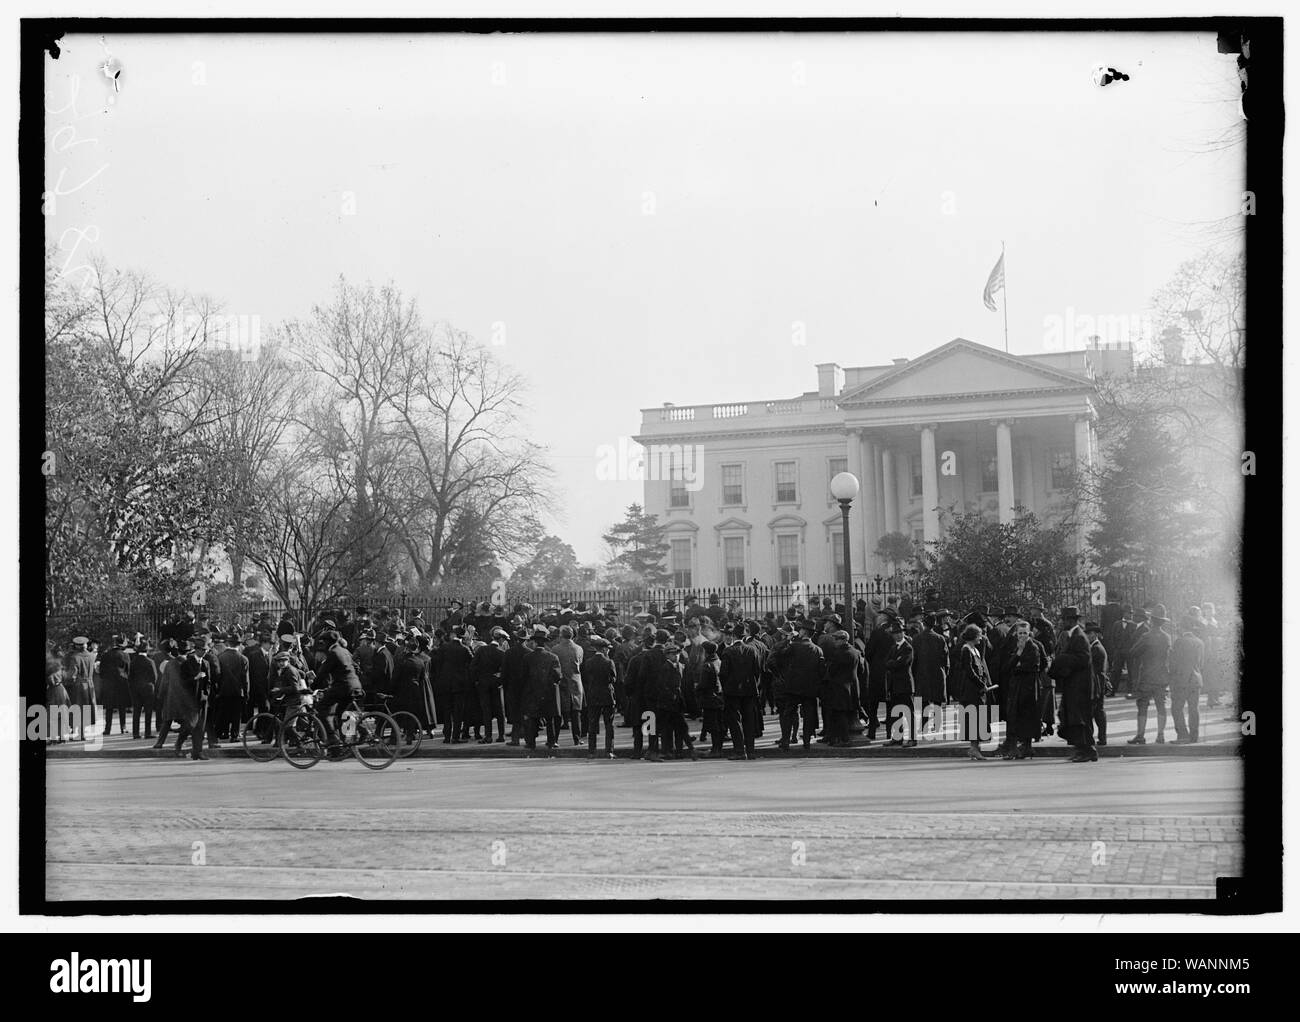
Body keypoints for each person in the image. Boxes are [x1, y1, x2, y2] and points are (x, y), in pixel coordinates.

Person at [1051, 607, 1098, 763]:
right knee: (1075, 717)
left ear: (1071, 620)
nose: (1062, 622)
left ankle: (1086, 750)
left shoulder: (1079, 637)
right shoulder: (1073, 636)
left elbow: (1083, 659)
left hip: (1081, 686)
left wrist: (1063, 659)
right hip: (1075, 685)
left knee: (1080, 718)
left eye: (1065, 619)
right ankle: (1082, 749)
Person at [771, 621, 824, 752]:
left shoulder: (794, 646)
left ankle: (786, 741)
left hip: (793, 686)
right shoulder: (818, 649)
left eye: (800, 630)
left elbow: (778, 654)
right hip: (810, 688)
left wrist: (786, 641)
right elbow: (821, 671)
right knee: (808, 715)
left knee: (788, 713)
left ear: (804, 632)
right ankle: (806, 742)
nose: (798, 632)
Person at [312, 630, 364, 752]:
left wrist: (311, 687)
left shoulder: (333, 653)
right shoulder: (345, 651)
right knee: (342, 713)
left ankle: (332, 738)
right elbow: (355, 667)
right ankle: (362, 731)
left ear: (327, 642)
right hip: (355, 685)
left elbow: (323, 673)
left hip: (342, 687)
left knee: (321, 708)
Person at [1127, 604, 1172, 745]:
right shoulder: (1167, 637)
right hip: (1162, 676)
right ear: (1163, 622)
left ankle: (1140, 735)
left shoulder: (1146, 636)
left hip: (1147, 676)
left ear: (1151, 621)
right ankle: (1160, 735)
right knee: (1161, 706)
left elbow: (1133, 652)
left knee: (1142, 705)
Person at [719, 623, 762, 759]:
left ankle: (739, 750)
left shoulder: (728, 651)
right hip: (749, 690)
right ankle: (751, 750)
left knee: (735, 720)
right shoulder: (752, 650)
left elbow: (723, 673)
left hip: (732, 691)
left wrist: (726, 687)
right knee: (749, 720)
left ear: (734, 636)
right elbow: (757, 670)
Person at [1003, 618, 1042, 759]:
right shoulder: (1016, 647)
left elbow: (1035, 666)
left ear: (1029, 633)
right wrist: (1018, 654)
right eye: (1020, 633)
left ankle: (1027, 746)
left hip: (1029, 687)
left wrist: (1019, 667)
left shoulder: (1034, 647)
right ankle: (1016, 747)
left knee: (1027, 716)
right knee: (1014, 716)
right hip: (1016, 687)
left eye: (1025, 633)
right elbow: (1008, 667)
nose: (1022, 636)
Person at [953, 624, 993, 760]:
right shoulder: (966, 650)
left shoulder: (973, 649)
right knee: (974, 720)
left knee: (978, 719)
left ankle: (975, 748)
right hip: (971, 691)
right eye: (979, 635)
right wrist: (981, 684)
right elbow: (969, 671)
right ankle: (974, 748)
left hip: (977, 690)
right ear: (973, 636)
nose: (981, 638)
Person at [521, 627, 562, 754]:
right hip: (548, 692)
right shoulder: (553, 657)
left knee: (533, 717)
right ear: (545, 642)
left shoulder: (528, 657)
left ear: (535, 642)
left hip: (532, 691)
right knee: (550, 718)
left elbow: (523, 676)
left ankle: (531, 742)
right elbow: (558, 676)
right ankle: (552, 741)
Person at [1168, 616, 1205, 744]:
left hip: (1181, 680)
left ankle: (1183, 735)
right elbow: (1201, 664)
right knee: (1194, 709)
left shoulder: (1179, 641)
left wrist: (1171, 679)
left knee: (1177, 708)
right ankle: (1194, 737)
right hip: (1196, 679)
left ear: (1182, 627)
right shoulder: (1200, 642)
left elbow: (1173, 663)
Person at [581, 636, 618, 758]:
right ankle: (609, 750)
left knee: (593, 724)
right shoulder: (609, 662)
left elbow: (585, 678)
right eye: (607, 649)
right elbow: (613, 679)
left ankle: (591, 751)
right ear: (603, 649)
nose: (608, 651)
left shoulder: (588, 662)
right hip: (607, 695)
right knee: (609, 724)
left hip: (593, 695)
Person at [821, 630, 860, 747]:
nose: (835, 641)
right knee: (842, 713)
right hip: (851, 686)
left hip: (839, 687)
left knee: (839, 713)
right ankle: (836, 738)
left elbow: (832, 670)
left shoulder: (839, 653)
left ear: (843, 640)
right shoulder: (854, 651)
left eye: (837, 639)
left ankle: (844, 739)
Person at [883, 617, 916, 747]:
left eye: (899, 632)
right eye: (895, 633)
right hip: (895, 685)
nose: (897, 635)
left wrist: (893, 662)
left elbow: (900, 663)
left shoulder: (907, 648)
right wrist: (893, 662)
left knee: (909, 713)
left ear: (903, 633)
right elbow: (887, 662)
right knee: (896, 713)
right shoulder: (893, 648)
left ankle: (912, 739)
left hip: (905, 685)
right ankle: (897, 737)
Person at [472, 628, 508, 743]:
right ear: (501, 640)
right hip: (495, 684)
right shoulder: (502, 653)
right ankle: (501, 735)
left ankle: (488, 736)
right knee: (499, 711)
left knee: (486, 710)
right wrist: (499, 681)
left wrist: (477, 680)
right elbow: (505, 671)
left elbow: (473, 666)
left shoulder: (482, 650)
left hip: (483, 683)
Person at [552, 625, 585, 746]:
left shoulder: (555, 649)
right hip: (576, 682)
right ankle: (577, 738)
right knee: (576, 713)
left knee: (558, 713)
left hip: (561, 683)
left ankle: (554, 739)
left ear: (561, 635)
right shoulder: (579, 648)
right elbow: (580, 663)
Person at [694, 640, 726, 756]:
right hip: (720, 697)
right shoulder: (719, 661)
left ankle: (715, 750)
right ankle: (718, 748)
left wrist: (696, 690)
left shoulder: (707, 665)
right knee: (720, 724)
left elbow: (703, 684)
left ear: (706, 652)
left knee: (713, 726)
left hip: (710, 699)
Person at [97, 635, 132, 737]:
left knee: (109, 707)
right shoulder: (125, 655)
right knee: (122, 707)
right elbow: (128, 671)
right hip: (122, 684)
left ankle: (107, 729)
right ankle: (123, 727)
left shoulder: (106, 655)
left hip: (109, 684)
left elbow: (101, 672)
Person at [64, 636, 97, 741]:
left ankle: (80, 734)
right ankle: (82, 734)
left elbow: (73, 674)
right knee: (86, 709)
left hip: (78, 686)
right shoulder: (92, 656)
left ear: (76, 646)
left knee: (77, 709)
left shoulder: (75, 657)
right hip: (90, 685)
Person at [128, 636, 159, 741]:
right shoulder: (150, 662)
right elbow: (155, 677)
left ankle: (135, 733)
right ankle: (147, 732)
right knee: (148, 711)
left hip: (135, 688)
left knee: (136, 711)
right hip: (148, 688)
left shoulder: (133, 661)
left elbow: (130, 676)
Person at [1085, 621, 1111, 746]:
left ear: (1095, 634)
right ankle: (1101, 737)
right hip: (1098, 682)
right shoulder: (1095, 647)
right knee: (1097, 712)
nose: (1087, 636)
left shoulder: (1096, 649)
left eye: (1089, 633)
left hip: (1097, 684)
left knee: (1097, 712)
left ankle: (1101, 737)